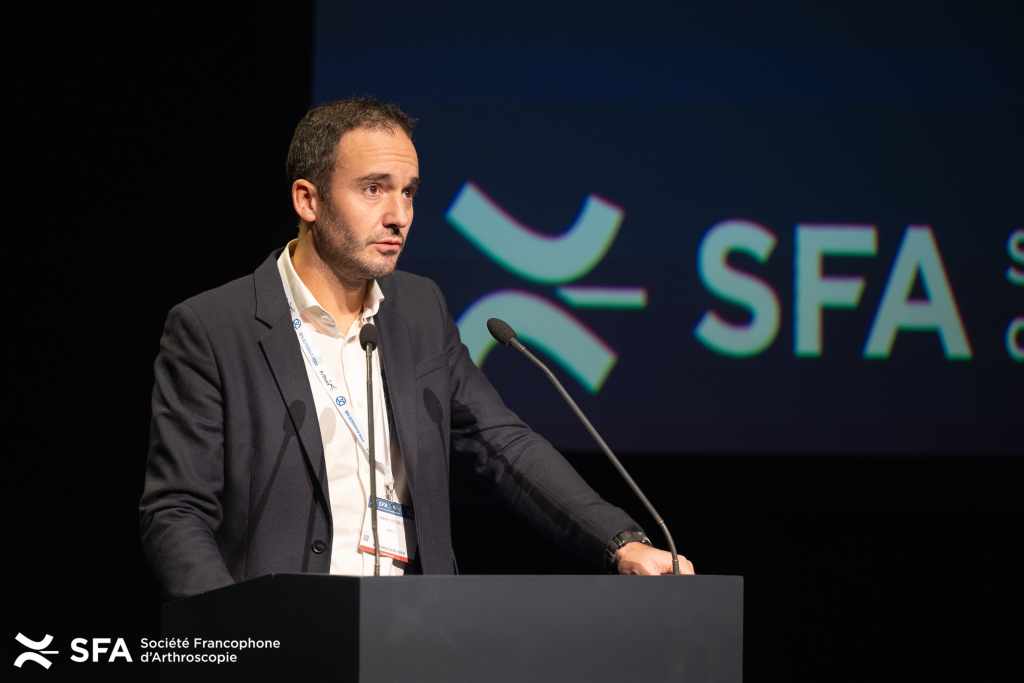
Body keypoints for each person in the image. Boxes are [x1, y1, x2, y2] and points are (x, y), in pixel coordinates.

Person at [140, 97, 693, 599]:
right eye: (373, 188)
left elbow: (501, 442)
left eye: (408, 192)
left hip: (412, 631)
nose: (398, 215)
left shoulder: (419, 310)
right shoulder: (215, 326)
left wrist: (620, 541)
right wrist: (227, 635)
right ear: (308, 199)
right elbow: (177, 510)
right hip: (282, 632)